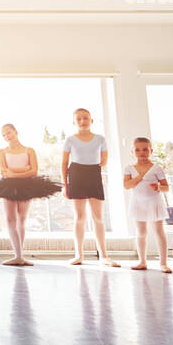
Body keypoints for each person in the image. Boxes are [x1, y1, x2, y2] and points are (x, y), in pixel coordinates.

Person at [0, 123, 60, 265]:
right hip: (8, 187)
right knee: (10, 219)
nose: (6, 136)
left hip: (26, 186)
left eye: (8, 133)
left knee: (22, 218)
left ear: (16, 132)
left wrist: (15, 172)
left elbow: (33, 171)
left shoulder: (29, 150)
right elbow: (4, 172)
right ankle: (18, 255)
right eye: (3, 135)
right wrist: (23, 169)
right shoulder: (2, 152)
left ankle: (21, 256)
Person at [61, 108, 119, 267]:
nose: (82, 121)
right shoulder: (70, 140)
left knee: (98, 218)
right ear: (74, 122)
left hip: (93, 174)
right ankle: (78, 255)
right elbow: (64, 164)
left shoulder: (100, 139)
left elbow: (104, 161)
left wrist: (91, 168)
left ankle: (104, 256)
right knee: (79, 217)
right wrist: (65, 185)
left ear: (91, 120)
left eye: (85, 118)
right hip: (76, 175)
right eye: (78, 119)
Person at [123, 137, 171, 273]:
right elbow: (127, 186)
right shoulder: (129, 168)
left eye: (145, 149)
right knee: (141, 232)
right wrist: (139, 176)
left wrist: (158, 187)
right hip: (138, 203)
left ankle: (163, 263)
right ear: (132, 151)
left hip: (154, 202)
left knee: (159, 232)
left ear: (150, 151)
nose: (141, 152)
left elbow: (166, 187)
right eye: (137, 150)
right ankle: (142, 261)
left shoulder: (156, 168)